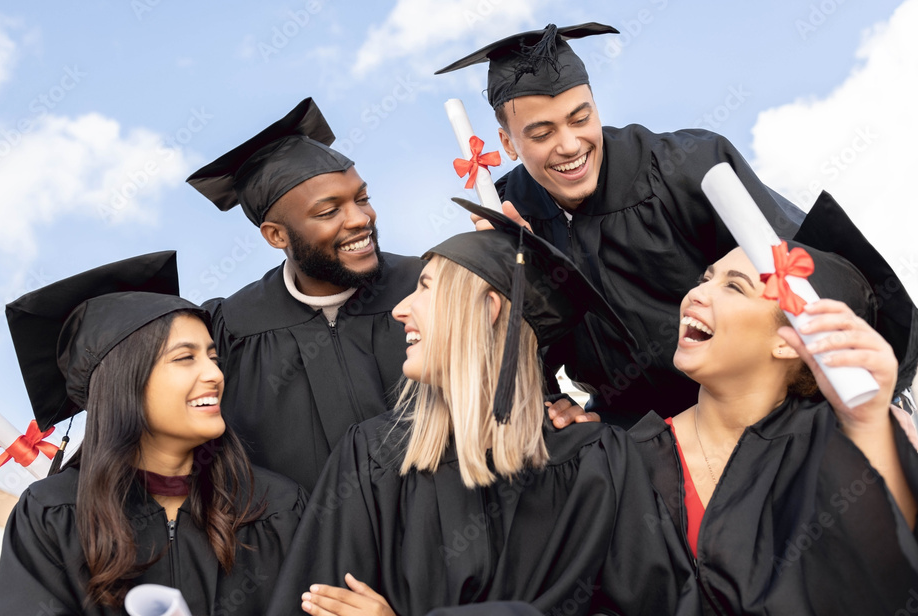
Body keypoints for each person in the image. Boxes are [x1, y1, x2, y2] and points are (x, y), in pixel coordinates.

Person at [265, 203, 697, 616]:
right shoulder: (372, 455)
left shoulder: (598, 460)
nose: (400, 309)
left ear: (488, 309)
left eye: (426, 287)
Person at [436, 23, 806, 426]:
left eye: (580, 119)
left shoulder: (687, 167)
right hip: (632, 443)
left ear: (595, 104)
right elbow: (521, 366)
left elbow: (804, 272)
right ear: (507, 144)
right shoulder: (511, 218)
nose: (570, 145)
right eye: (542, 133)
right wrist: (508, 281)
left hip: (760, 415)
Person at [628, 192, 918, 614]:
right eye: (706, 277)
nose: (697, 293)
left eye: (733, 287)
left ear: (791, 341)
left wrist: (873, 428)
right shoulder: (623, 458)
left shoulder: (841, 449)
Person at [0, 251, 305, 616]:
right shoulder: (53, 514)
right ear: (124, 384)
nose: (215, 375)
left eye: (213, 358)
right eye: (185, 358)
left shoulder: (275, 508)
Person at [187, 98, 424, 492]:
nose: (361, 219)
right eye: (329, 211)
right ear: (276, 236)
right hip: (311, 548)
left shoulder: (427, 284)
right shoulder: (231, 329)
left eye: (361, 198)